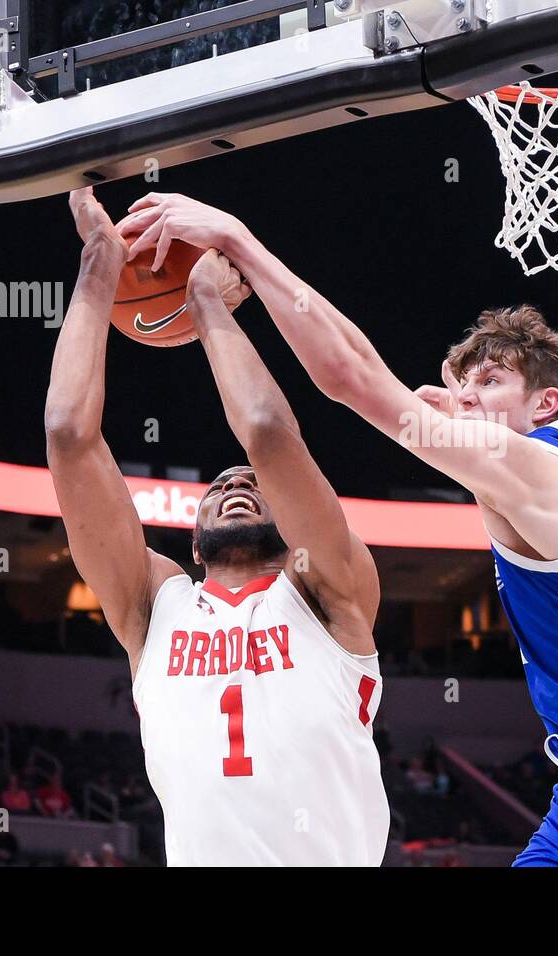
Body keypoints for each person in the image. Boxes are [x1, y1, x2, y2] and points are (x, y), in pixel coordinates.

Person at [116, 193, 558, 866]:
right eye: (459, 386)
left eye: (488, 381)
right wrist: (446, 411)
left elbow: (353, 377)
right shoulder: (531, 477)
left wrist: (238, 238)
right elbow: (368, 373)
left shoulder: (544, 467)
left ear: (545, 404)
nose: (465, 397)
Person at [45, 188, 388, 865]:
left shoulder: (327, 590)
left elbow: (265, 431)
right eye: (220, 485)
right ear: (192, 539)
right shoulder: (154, 603)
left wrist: (205, 307)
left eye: (250, 483)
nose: (235, 483)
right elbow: (67, 433)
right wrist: (98, 268)